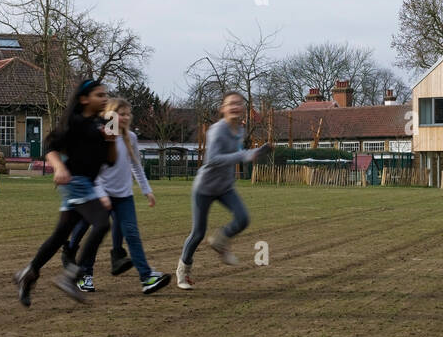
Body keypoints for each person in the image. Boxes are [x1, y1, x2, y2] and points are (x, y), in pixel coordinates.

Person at [14, 78, 117, 306]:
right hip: (74, 181)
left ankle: (29, 273)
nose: (105, 98)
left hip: (86, 183)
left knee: (61, 234)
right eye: (99, 95)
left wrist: (111, 140)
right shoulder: (75, 121)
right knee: (102, 223)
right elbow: (49, 146)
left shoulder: (105, 123)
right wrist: (59, 167)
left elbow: (110, 161)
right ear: (84, 99)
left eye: (105, 95)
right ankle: (72, 276)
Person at [62, 98, 170, 295]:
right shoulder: (101, 137)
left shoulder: (132, 138)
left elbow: (136, 166)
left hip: (124, 197)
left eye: (128, 114)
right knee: (95, 235)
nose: (126, 117)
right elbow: (93, 171)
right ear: (110, 114)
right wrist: (101, 195)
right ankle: (85, 275)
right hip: (100, 194)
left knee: (133, 235)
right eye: (122, 113)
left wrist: (147, 190)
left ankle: (147, 278)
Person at [176, 91, 268, 289]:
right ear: (222, 109)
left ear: (243, 108)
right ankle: (183, 272)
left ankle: (221, 241)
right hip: (205, 187)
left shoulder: (240, 131)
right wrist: (244, 156)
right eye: (230, 103)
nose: (235, 106)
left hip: (225, 187)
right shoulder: (217, 131)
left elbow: (236, 154)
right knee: (198, 233)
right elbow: (214, 160)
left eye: (238, 103)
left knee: (243, 218)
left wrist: (254, 153)